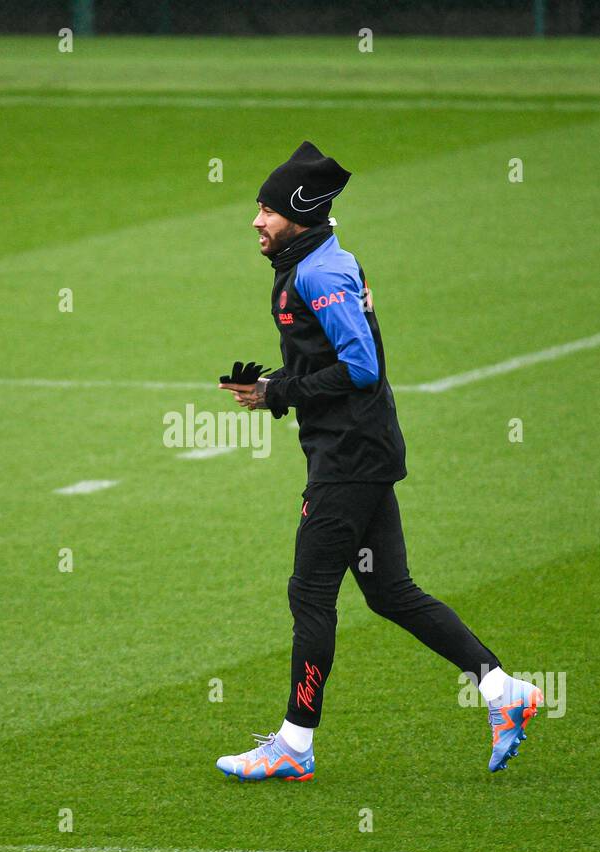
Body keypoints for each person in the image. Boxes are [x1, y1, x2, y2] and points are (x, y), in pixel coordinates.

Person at [216, 141, 542, 781]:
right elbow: (332, 360)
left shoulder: (320, 273)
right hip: (360, 450)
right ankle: (504, 692)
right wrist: (275, 389)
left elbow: (361, 366)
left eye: (267, 210)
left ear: (299, 216)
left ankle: (293, 744)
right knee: (390, 591)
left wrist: (285, 391)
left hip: (349, 459)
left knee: (310, 593)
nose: (256, 221)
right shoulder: (313, 261)